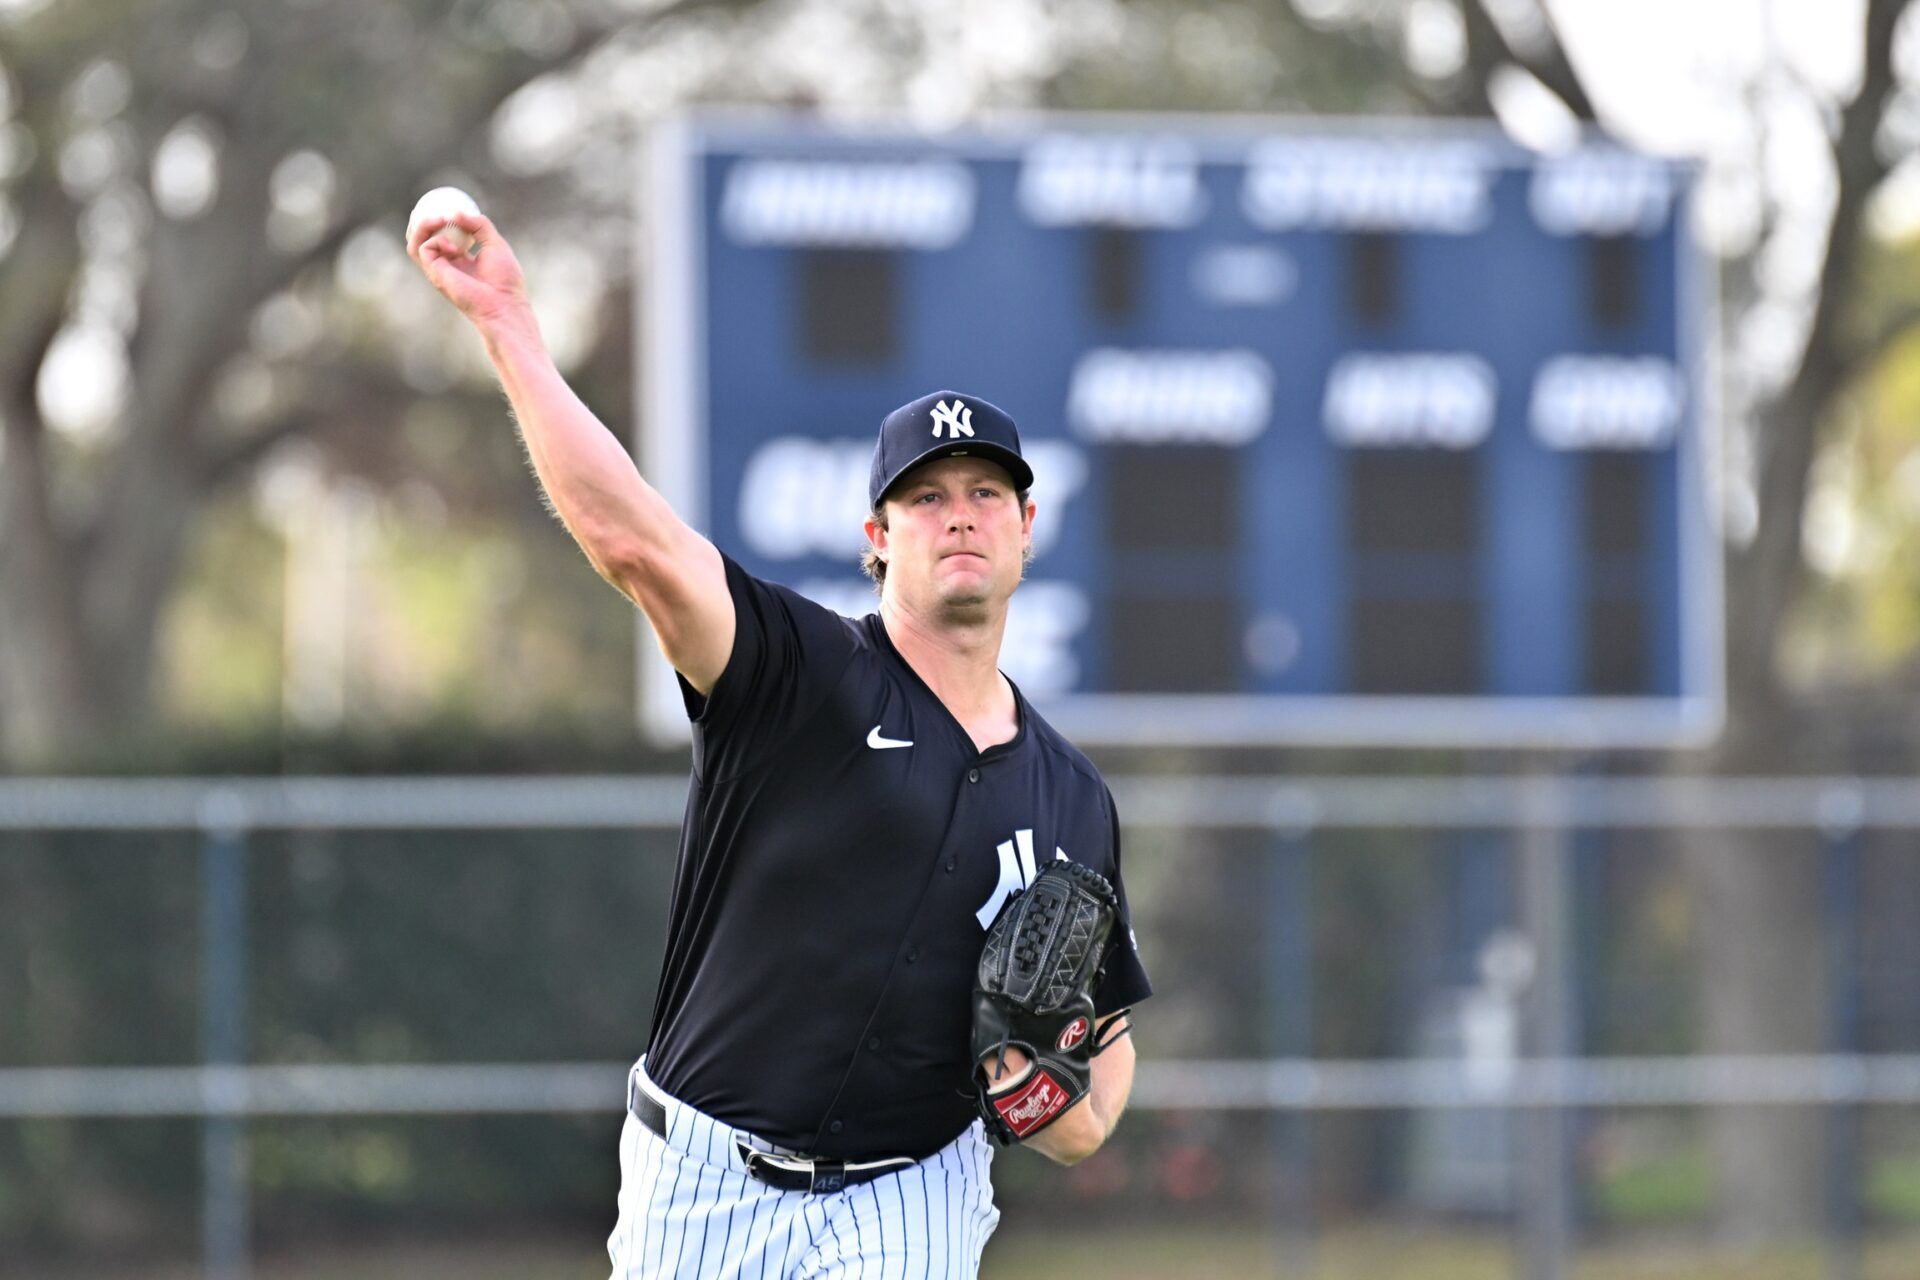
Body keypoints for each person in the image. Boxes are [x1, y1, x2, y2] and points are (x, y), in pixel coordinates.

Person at [408, 204, 1151, 1279]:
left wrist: (1066, 1102)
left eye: (988, 492)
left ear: (1027, 529)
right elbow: (637, 543)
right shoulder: (797, 675)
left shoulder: (1072, 795)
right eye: (927, 496)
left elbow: (1103, 1062)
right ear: (876, 539)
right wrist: (509, 323)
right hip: (704, 1177)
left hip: (913, 1191)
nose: (961, 514)